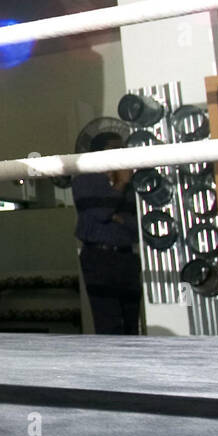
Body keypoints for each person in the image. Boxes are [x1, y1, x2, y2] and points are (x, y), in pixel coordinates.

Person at [72, 132, 142, 334]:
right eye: (115, 149)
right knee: (107, 320)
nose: (121, 153)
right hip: (98, 257)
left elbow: (137, 224)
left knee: (131, 319)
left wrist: (118, 216)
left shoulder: (132, 184)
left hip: (127, 255)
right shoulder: (85, 181)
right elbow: (100, 213)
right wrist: (120, 184)